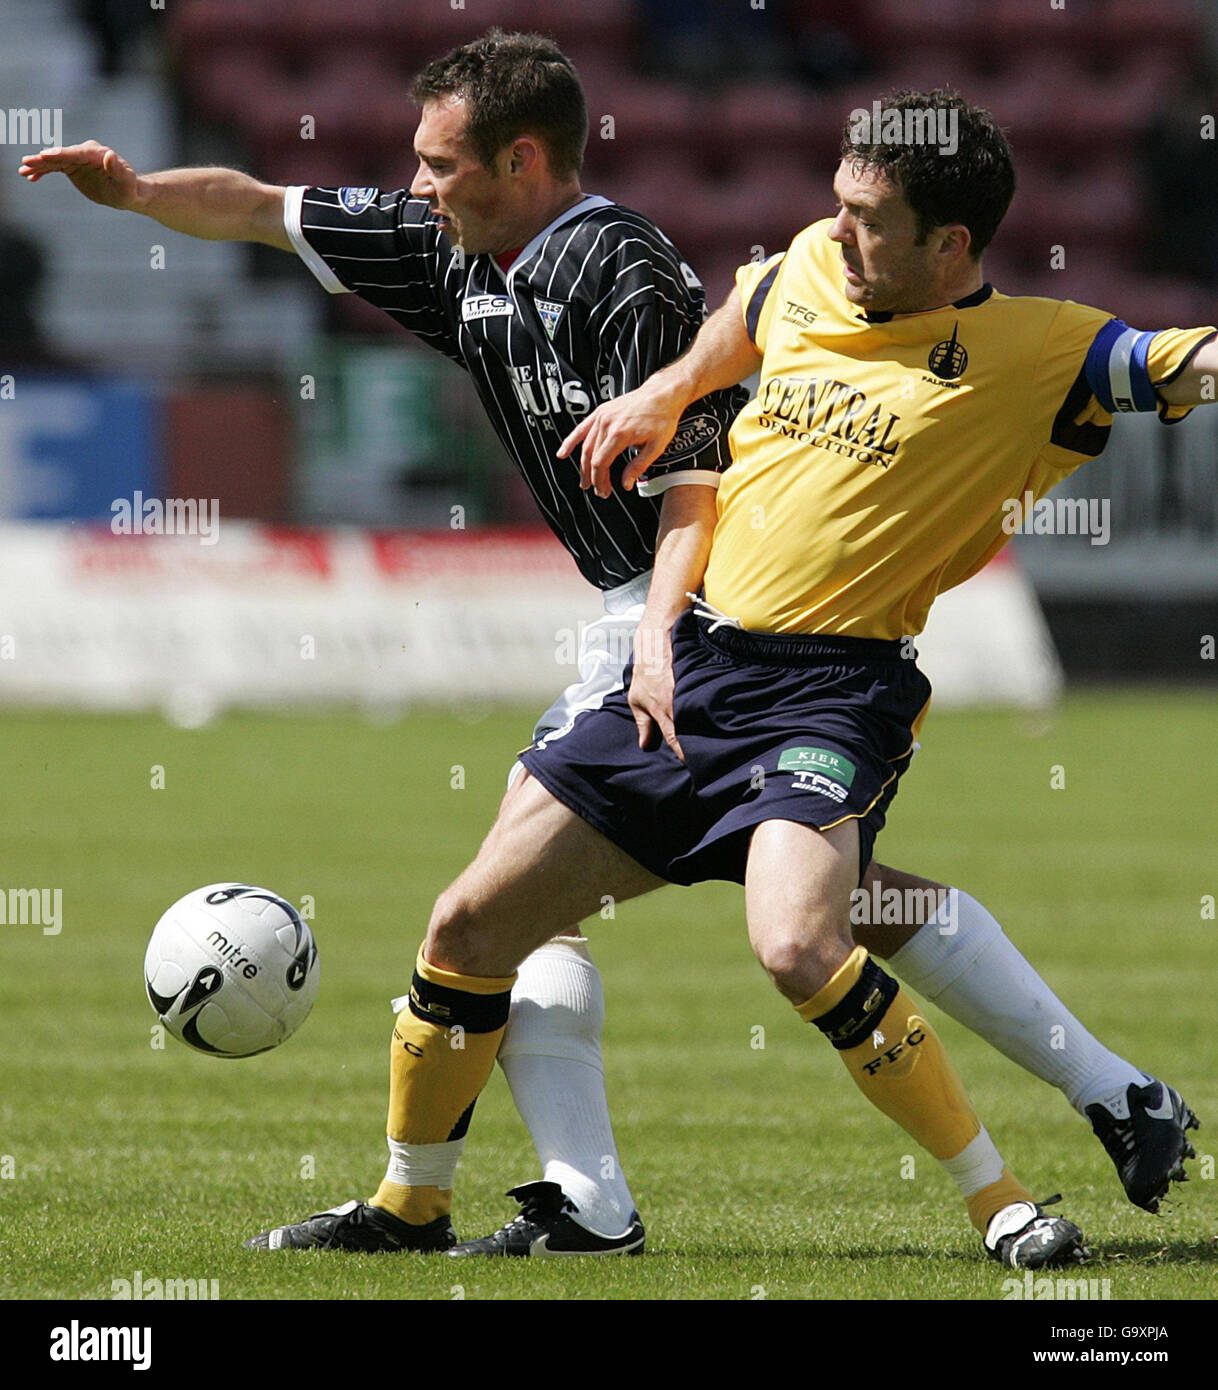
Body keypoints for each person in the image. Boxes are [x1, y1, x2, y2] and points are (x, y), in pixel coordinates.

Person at [20, 46, 1196, 1262]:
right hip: (686, 621)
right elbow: (269, 211)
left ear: (520, 161)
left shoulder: (617, 266)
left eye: (438, 163)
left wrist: (651, 630)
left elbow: (699, 475)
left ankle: (560, 1202)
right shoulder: (469, 252)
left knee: (564, 916)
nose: (415, 185)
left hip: (702, 616)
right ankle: (1115, 1093)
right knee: (831, 911)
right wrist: (140, 194)